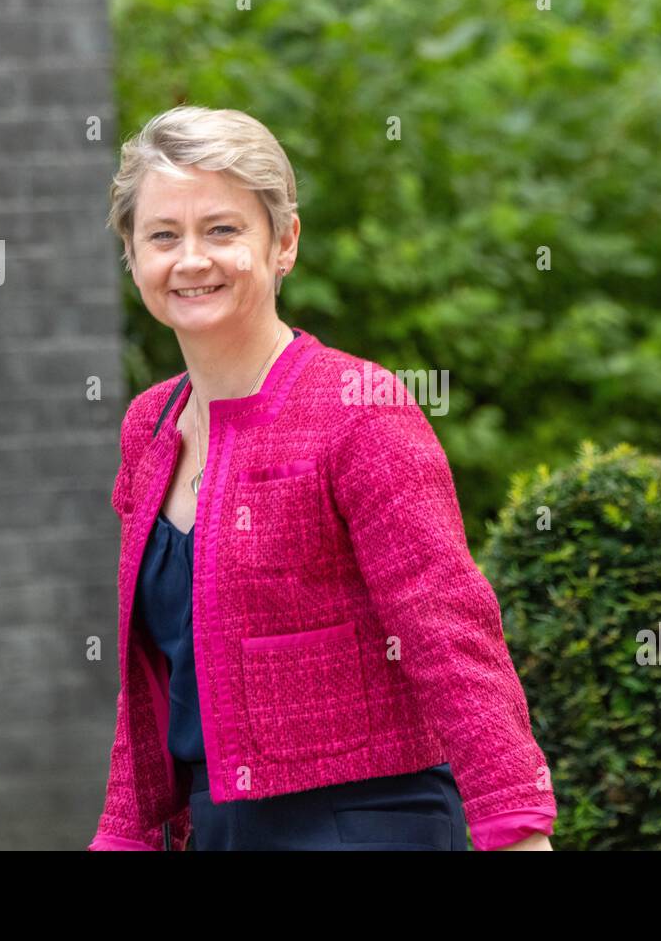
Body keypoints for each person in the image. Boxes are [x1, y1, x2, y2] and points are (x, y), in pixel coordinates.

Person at [88, 105, 556, 851]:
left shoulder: (358, 411)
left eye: (222, 230)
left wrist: (516, 826)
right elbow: (154, 673)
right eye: (163, 236)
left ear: (285, 243)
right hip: (216, 828)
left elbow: (448, 628)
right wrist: (126, 835)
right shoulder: (149, 428)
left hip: (366, 823)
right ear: (134, 255)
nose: (191, 259)